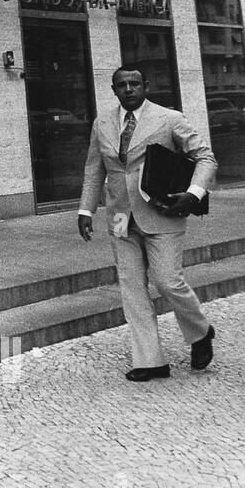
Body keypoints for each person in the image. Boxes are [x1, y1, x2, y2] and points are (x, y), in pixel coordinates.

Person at [78, 66, 217, 381]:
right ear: (114, 89)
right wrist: (85, 210)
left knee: (168, 281)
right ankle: (150, 360)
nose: (129, 89)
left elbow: (206, 157)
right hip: (118, 215)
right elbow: (93, 169)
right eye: (122, 85)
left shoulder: (169, 119)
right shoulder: (101, 123)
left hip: (162, 212)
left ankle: (200, 332)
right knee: (130, 286)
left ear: (146, 86)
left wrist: (194, 194)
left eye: (135, 83)